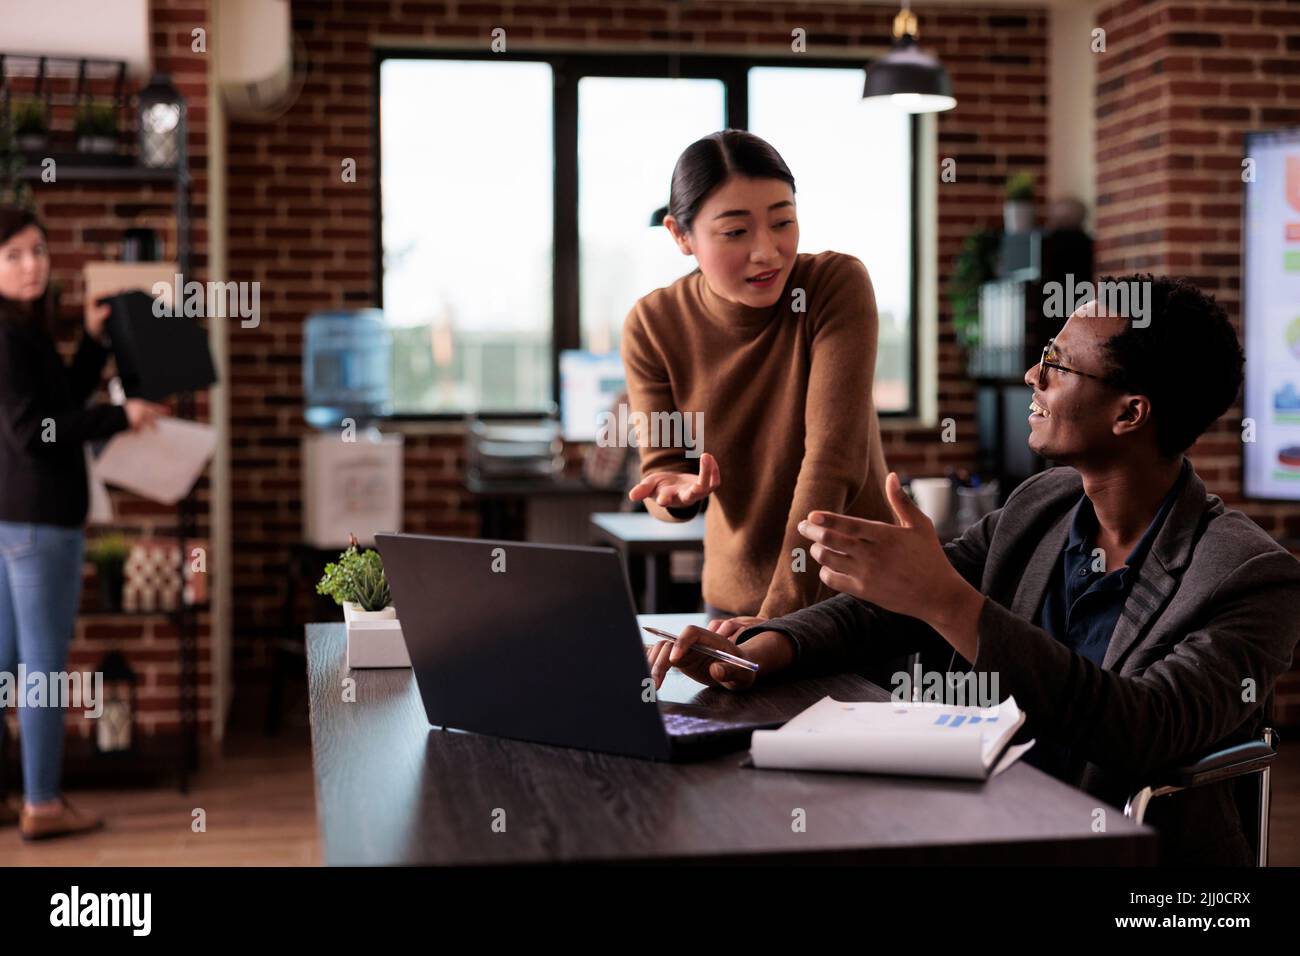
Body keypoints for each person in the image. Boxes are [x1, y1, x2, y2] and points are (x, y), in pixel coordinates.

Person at [647, 276, 1300, 865]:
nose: (1031, 377)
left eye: (1059, 366)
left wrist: (946, 602)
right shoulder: (1041, 505)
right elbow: (884, 607)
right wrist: (757, 651)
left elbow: (1146, 728)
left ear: (1130, 413)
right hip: (970, 818)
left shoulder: (1250, 575)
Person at [622, 129, 892, 624]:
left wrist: (778, 623)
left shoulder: (834, 286)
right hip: (734, 602)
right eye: (735, 232)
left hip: (855, 595)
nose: (767, 251)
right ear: (681, 236)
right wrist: (674, 495)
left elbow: (832, 461)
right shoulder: (653, 325)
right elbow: (660, 474)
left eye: (782, 222)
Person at [0, 206, 166, 840]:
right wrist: (121, 418)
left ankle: (19, 794)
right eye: (13, 254)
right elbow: (35, 432)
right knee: (41, 667)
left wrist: (95, 344)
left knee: (12, 662)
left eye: (37, 250)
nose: (32, 263)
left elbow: (58, 405)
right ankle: (42, 802)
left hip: (19, 517)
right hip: (40, 521)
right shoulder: (9, 335)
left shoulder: (25, 328)